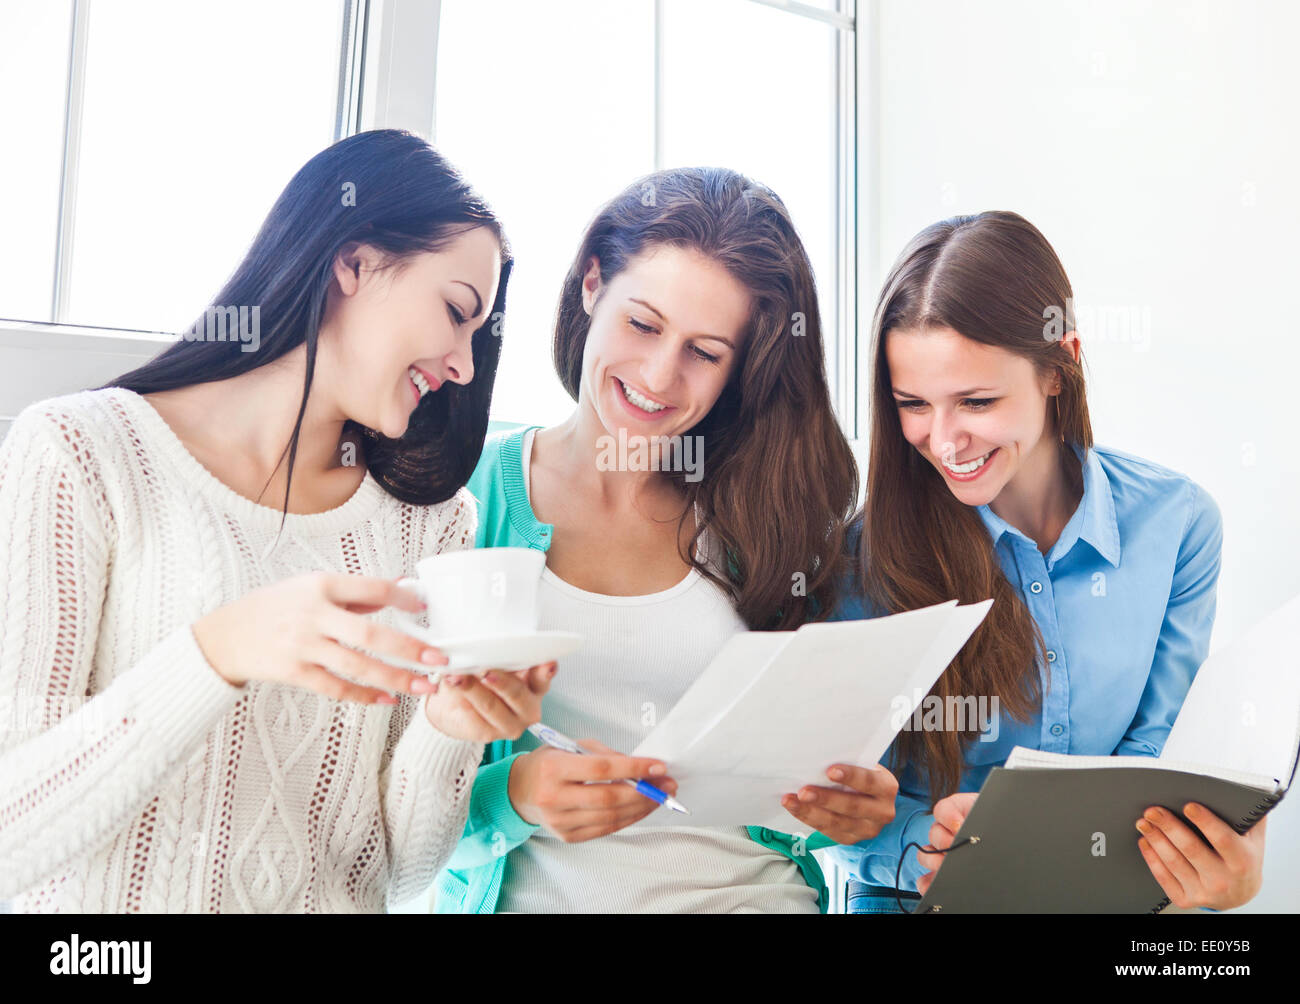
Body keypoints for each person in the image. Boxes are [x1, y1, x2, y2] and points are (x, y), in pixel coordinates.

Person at [0, 129, 553, 913]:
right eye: (458, 312)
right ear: (353, 264)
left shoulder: (430, 527)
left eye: (478, 333)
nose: (464, 363)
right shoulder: (81, 454)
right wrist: (219, 650)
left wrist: (447, 728)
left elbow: (398, 875)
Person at [433, 167, 898, 913]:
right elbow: (376, 824)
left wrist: (851, 819)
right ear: (591, 286)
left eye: (705, 352)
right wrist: (511, 798)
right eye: (642, 325)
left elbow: (801, 808)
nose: (658, 374)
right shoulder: (462, 503)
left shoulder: (765, 520)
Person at [827, 210, 1266, 913]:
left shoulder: (1178, 526)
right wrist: (930, 842)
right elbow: (838, 809)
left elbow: (1152, 758)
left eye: (976, 401)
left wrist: (1212, 860)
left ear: (1060, 368)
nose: (943, 441)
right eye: (913, 403)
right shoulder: (861, 561)